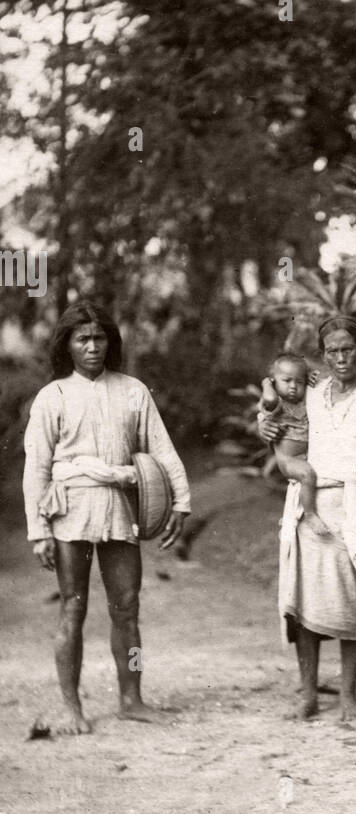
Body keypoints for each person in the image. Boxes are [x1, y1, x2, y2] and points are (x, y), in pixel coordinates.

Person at [23, 301, 190, 733]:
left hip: (119, 506)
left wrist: (182, 502)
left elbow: (162, 449)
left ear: (110, 343)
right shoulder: (52, 397)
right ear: (68, 346)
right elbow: (36, 468)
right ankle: (71, 706)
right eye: (83, 339)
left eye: (100, 338)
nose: (93, 347)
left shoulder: (133, 390)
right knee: (72, 610)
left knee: (127, 607)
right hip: (70, 510)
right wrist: (38, 531)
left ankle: (132, 698)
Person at [258, 316, 356, 721]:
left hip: (352, 507)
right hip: (308, 507)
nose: (340, 358)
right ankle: (309, 693)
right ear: (322, 355)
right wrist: (265, 425)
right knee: (305, 601)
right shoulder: (313, 395)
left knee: (348, 602)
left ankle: (350, 694)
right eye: (332, 351)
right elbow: (279, 416)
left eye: (348, 349)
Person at [257, 353, 326, 535]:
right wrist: (267, 383)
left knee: (312, 474)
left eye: (299, 382)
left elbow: (323, 380)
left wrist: (309, 376)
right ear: (274, 382)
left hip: (308, 455)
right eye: (286, 381)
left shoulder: (304, 400)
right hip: (288, 459)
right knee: (307, 474)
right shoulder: (276, 403)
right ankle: (310, 514)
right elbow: (269, 399)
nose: (293, 387)